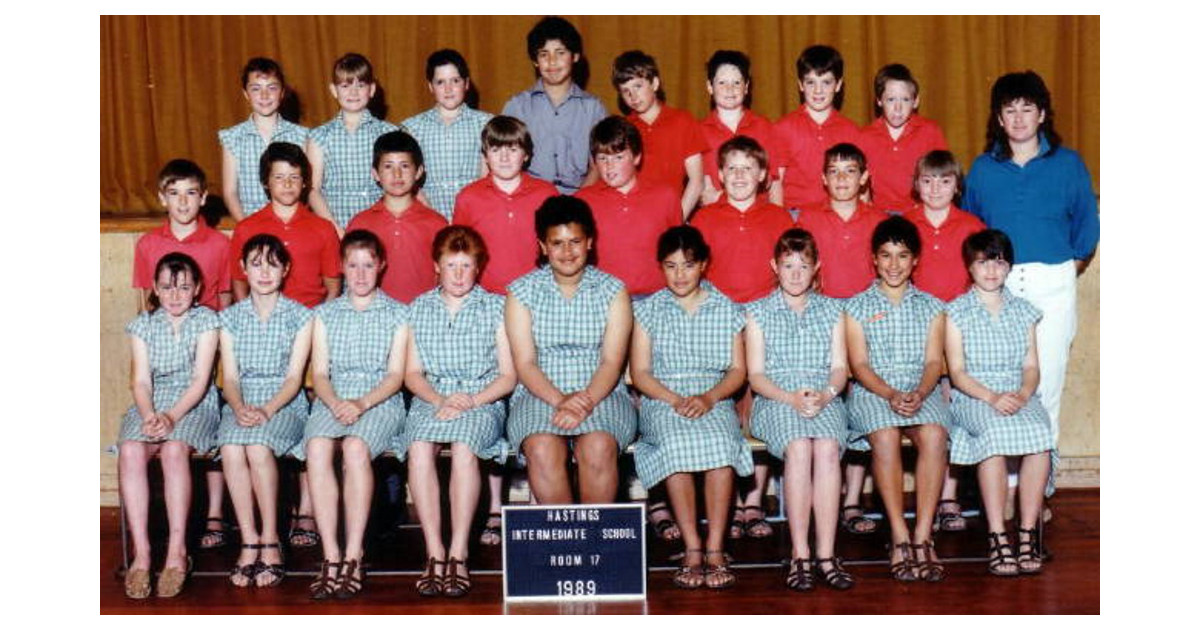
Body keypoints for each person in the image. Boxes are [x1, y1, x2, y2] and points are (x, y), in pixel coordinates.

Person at [962, 71, 1099, 495]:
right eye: (1010, 110)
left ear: (1041, 114)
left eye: (1027, 108)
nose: (1018, 118)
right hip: (997, 288)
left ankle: (1038, 492)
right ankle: (1000, 492)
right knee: (1001, 384)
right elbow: (972, 228)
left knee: (1047, 384)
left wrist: (1063, 269)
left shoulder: (1068, 163)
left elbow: (1087, 227)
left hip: (1052, 283)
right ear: (999, 119)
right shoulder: (984, 169)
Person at [228, 141, 341, 550]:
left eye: (295, 177)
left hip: (312, 338)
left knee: (315, 422)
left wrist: (313, 336)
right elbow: (239, 287)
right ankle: (268, 523)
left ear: (305, 181)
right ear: (264, 182)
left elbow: (333, 287)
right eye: (279, 177)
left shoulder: (322, 228)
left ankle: (309, 509)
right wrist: (261, 331)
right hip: (265, 340)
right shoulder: (247, 228)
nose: (288, 184)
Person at [630, 225, 752, 589]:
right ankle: (692, 546)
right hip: (662, 398)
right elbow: (640, 373)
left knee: (720, 444)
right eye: (670, 266)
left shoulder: (726, 308)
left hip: (712, 396)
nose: (679, 275)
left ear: (703, 265)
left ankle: (715, 547)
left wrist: (709, 398)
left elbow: (737, 370)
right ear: (661, 267)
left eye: (687, 265)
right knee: (675, 444)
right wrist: (674, 400)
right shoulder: (649, 311)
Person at [401, 226, 515, 598]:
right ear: (437, 266)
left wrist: (472, 400)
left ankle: (458, 552)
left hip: (481, 399)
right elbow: (412, 373)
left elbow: (508, 375)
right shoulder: (419, 307)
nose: (459, 275)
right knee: (418, 446)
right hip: (433, 398)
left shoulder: (496, 307)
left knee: (465, 447)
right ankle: (434, 552)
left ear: (478, 267)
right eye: (452, 265)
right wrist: (439, 401)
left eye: (467, 266)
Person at [689, 135, 793, 540]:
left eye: (748, 168)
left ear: (764, 175)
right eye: (731, 168)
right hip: (721, 327)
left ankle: (754, 503)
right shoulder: (703, 219)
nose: (739, 176)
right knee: (727, 413)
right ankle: (729, 503)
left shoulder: (781, 219)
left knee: (760, 412)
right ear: (719, 174)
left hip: (767, 325)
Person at [504, 196, 637, 504]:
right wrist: (560, 400)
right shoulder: (521, 291)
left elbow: (612, 361)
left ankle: (597, 546)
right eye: (557, 243)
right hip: (539, 393)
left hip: (601, 391)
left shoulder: (613, 290)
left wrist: (584, 401)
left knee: (598, 446)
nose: (567, 252)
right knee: (541, 446)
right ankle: (562, 546)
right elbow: (525, 363)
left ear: (589, 242)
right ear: (542, 246)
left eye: (575, 241)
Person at [302, 230, 410, 600]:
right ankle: (330, 555)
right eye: (353, 265)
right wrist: (334, 403)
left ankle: (353, 554)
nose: (361, 274)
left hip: (379, 401)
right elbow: (319, 375)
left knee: (354, 447)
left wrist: (361, 404)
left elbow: (396, 376)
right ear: (342, 268)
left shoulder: (399, 313)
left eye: (368, 265)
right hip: (335, 398)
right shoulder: (325, 315)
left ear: (381, 266)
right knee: (316, 445)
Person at [746, 228, 854, 591]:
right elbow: (756, 376)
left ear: (816, 268)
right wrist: (792, 398)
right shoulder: (757, 312)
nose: (795, 274)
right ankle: (800, 553)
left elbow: (840, 368)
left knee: (825, 446)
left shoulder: (832, 310)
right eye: (788, 265)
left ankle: (826, 553)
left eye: (803, 266)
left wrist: (825, 394)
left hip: (823, 395)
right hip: (776, 398)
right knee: (798, 446)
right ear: (774, 266)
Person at [131, 159, 231, 550]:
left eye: (192, 193)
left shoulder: (220, 243)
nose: (184, 202)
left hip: (208, 349)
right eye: (174, 194)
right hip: (165, 354)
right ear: (162, 198)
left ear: (204, 198)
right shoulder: (148, 244)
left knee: (213, 433)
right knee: (163, 443)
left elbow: (224, 302)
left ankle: (216, 515)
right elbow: (143, 305)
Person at [844, 216, 950, 582]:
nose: (894, 265)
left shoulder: (933, 307)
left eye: (902, 256)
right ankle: (899, 536)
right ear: (874, 259)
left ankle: (923, 535)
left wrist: (920, 392)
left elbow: (935, 361)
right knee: (887, 436)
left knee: (935, 435)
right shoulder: (856, 306)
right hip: (875, 390)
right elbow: (858, 364)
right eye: (886, 256)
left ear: (915, 260)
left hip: (920, 388)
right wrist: (890, 393)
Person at [945, 229, 1056, 577]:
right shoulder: (955, 312)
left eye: (999, 261)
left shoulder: (1024, 311)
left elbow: (1032, 366)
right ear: (970, 267)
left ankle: (1026, 533)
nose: (991, 270)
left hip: (1016, 391)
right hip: (974, 394)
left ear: (1009, 267)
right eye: (983, 262)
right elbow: (958, 372)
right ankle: (997, 535)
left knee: (1039, 433)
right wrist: (991, 397)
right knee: (992, 435)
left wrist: (1023, 394)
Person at [795, 143, 889, 534]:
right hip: (824, 327)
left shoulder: (878, 219)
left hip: (869, 324)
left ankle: (851, 501)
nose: (842, 179)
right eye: (834, 171)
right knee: (831, 410)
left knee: (864, 405)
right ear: (823, 178)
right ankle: (817, 503)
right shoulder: (807, 220)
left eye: (850, 171)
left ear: (865, 176)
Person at [118, 253, 220, 599]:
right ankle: (143, 554)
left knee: (175, 449)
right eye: (167, 287)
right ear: (155, 289)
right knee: (131, 449)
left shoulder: (206, 321)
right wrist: (149, 414)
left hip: (192, 404)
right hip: (153, 402)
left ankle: (177, 552)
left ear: (197, 289)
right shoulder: (143, 325)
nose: (175, 296)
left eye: (184, 287)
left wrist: (172, 417)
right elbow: (141, 381)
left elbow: (199, 380)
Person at [217, 234, 313, 588]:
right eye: (255, 263)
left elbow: (293, 378)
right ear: (243, 268)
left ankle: (272, 539)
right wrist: (240, 407)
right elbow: (229, 377)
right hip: (242, 401)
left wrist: (267, 410)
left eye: (272, 263)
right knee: (230, 447)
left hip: (283, 403)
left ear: (285, 269)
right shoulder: (230, 319)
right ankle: (249, 539)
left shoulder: (301, 317)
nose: (264, 272)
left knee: (257, 446)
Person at [901, 149, 986, 532]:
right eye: (928, 180)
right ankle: (928, 500)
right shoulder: (906, 223)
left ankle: (949, 496)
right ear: (917, 185)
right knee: (928, 413)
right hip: (916, 332)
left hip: (959, 330)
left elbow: (978, 281)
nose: (936, 189)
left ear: (957, 186)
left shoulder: (971, 225)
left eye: (945, 181)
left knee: (952, 409)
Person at [574, 116, 682, 297]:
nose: (610, 166)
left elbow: (677, 253)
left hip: (656, 298)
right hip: (602, 299)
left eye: (618, 157)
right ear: (594, 162)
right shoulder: (582, 201)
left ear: (637, 157)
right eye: (602, 158)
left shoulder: (665, 196)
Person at [452, 115, 557, 294]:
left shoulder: (547, 194)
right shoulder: (468, 197)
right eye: (495, 149)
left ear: (526, 155)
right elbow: (458, 252)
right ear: (485, 156)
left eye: (513, 149)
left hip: (537, 292)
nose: (504, 157)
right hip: (484, 295)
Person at [502, 16, 607, 194]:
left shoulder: (594, 108)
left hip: (580, 198)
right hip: (529, 198)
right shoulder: (517, 106)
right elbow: (504, 164)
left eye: (560, 53)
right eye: (544, 54)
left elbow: (599, 166)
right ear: (535, 61)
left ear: (575, 56)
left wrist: (577, 202)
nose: (552, 61)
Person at [347, 130, 448, 303]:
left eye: (404, 166)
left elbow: (446, 276)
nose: (397, 174)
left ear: (418, 172)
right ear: (375, 174)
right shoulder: (360, 223)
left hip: (424, 314)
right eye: (388, 166)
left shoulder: (437, 223)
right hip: (377, 316)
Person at [307, 52, 399, 232]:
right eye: (345, 85)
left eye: (361, 85)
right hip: (335, 223)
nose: (353, 92)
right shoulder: (319, 136)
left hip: (379, 225)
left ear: (372, 90)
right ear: (334, 90)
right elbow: (313, 190)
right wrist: (335, 229)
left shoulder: (389, 132)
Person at [400, 49, 493, 221]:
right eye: (440, 82)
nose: (448, 89)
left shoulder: (486, 124)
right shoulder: (412, 128)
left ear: (466, 84)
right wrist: (429, 214)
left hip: (474, 213)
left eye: (455, 81)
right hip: (427, 214)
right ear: (430, 86)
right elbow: (409, 179)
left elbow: (486, 176)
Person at [612, 50, 706, 217]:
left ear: (654, 84)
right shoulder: (622, 128)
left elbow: (696, 181)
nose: (633, 96)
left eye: (638, 86)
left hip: (671, 215)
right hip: (634, 215)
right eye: (625, 91)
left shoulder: (682, 121)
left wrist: (677, 219)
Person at [219, 57, 310, 221]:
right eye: (256, 88)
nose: (264, 95)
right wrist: (246, 227)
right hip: (250, 223)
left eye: (272, 88)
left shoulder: (302, 136)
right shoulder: (232, 138)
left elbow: (306, 187)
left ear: (282, 92)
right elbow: (230, 192)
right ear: (246, 94)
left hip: (290, 221)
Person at [775, 45, 861, 214]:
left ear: (838, 85)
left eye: (826, 82)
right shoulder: (782, 128)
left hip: (836, 213)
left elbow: (860, 185)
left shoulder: (851, 131)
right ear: (800, 84)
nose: (818, 90)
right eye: (811, 82)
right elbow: (776, 183)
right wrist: (779, 221)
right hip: (795, 214)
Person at [858, 64, 948, 212]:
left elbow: (944, 176)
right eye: (891, 99)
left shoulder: (930, 132)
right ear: (879, 101)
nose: (898, 108)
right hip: (880, 215)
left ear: (916, 101)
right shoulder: (865, 136)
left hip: (919, 214)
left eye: (905, 100)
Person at [697, 50, 781, 206]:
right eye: (722, 83)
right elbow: (703, 192)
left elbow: (773, 182)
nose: (730, 89)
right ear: (709, 86)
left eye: (737, 82)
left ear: (746, 87)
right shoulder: (698, 132)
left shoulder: (764, 127)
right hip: (716, 216)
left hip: (758, 214)